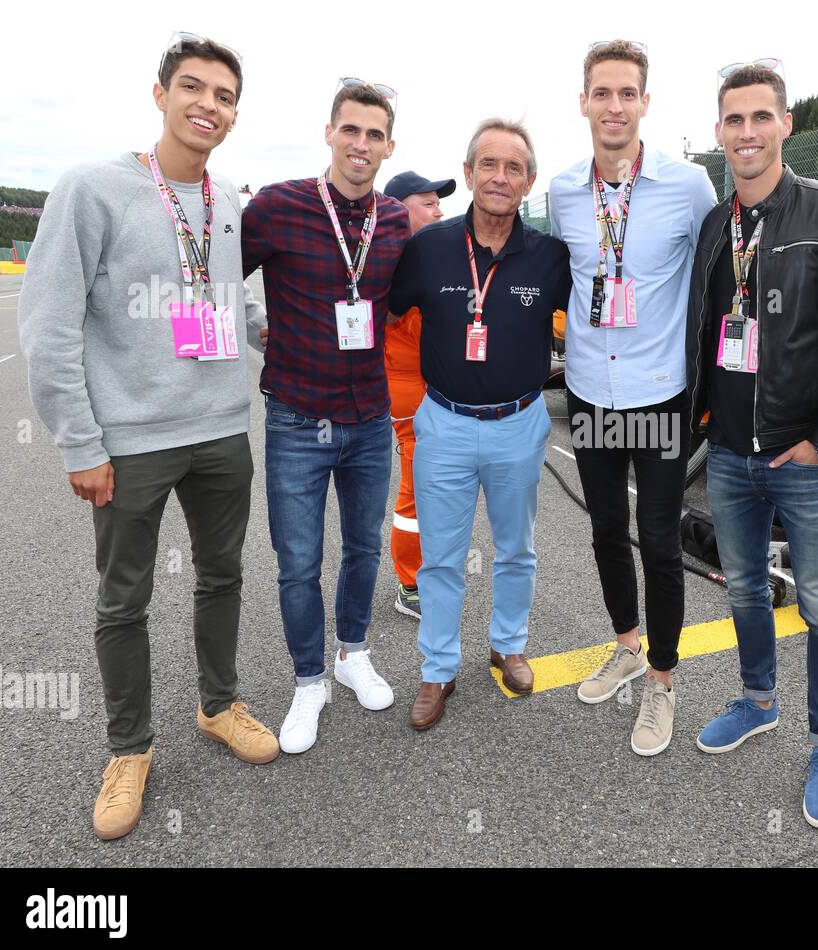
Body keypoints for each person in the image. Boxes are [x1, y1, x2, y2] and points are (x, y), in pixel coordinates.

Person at [18, 34, 278, 841]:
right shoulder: (94, 188)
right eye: (194, 88)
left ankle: (218, 703)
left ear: (235, 115)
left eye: (225, 95)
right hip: (129, 440)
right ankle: (129, 747)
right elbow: (49, 323)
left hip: (221, 432)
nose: (209, 104)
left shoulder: (229, 201)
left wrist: (297, 343)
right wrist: (78, 442)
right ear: (160, 94)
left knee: (222, 575)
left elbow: (230, 301)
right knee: (124, 598)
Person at [685, 65, 818, 829]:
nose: (746, 133)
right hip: (731, 456)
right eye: (733, 119)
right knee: (742, 591)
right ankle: (758, 700)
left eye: (760, 117)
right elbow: (708, 336)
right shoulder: (715, 225)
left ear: (786, 124)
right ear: (718, 132)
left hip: (802, 459)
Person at [548, 39, 717, 756]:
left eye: (627, 93)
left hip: (658, 397)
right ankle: (625, 644)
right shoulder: (560, 192)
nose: (614, 106)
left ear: (645, 102)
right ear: (583, 100)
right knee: (605, 530)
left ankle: (663, 678)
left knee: (659, 538)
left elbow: (717, 282)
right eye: (601, 93)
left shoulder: (688, 186)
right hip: (589, 393)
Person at [241, 81, 411, 754]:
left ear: (389, 145)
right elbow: (216, 278)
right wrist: (259, 329)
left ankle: (353, 653)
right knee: (298, 561)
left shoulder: (394, 220)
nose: (361, 144)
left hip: (369, 417)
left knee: (364, 548)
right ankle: (309, 680)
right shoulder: (278, 207)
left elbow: (411, 298)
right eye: (351, 130)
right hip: (296, 418)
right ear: (330, 132)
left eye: (374, 134)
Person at [389, 119, 571, 731]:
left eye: (513, 167)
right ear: (468, 173)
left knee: (515, 549)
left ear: (528, 182)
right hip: (443, 423)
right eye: (487, 164)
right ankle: (438, 668)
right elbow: (376, 308)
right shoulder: (431, 247)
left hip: (520, 424)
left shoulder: (549, 257)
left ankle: (508, 644)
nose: (499, 177)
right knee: (441, 558)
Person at [381, 170, 458, 620]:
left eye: (438, 202)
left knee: (436, 488)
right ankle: (410, 584)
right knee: (415, 493)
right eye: (428, 202)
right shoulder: (390, 260)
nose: (439, 209)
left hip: (439, 387)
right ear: (399, 209)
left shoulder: (432, 255)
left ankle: (429, 570)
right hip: (410, 390)